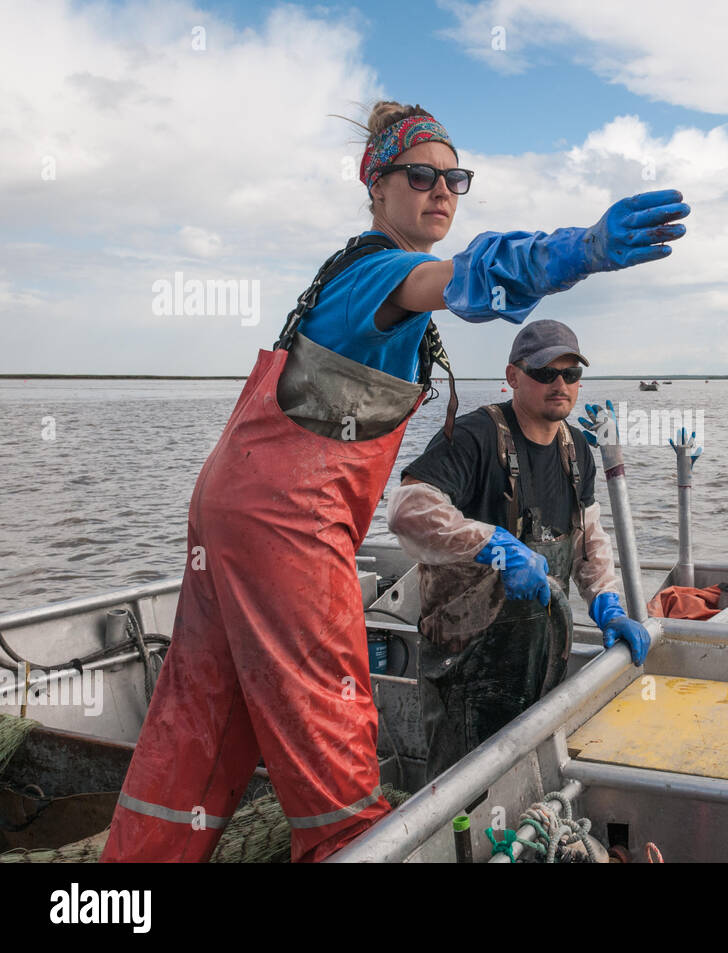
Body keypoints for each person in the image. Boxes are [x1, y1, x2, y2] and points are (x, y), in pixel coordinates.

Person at [101, 101, 688, 862]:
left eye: (455, 179)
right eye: (421, 175)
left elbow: (584, 529)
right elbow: (475, 278)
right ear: (374, 184)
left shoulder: (369, 288)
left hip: (232, 515)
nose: (441, 191)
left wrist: (604, 594)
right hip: (288, 529)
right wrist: (578, 251)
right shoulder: (384, 271)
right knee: (342, 788)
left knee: (196, 740)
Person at [389, 320, 650, 782]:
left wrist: (608, 605)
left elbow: (588, 534)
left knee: (530, 782)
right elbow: (409, 509)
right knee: (463, 796)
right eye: (545, 373)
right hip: (464, 666)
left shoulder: (576, 450)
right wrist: (492, 544)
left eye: (569, 374)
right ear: (512, 376)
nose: (560, 385)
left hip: (541, 659)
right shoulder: (474, 437)